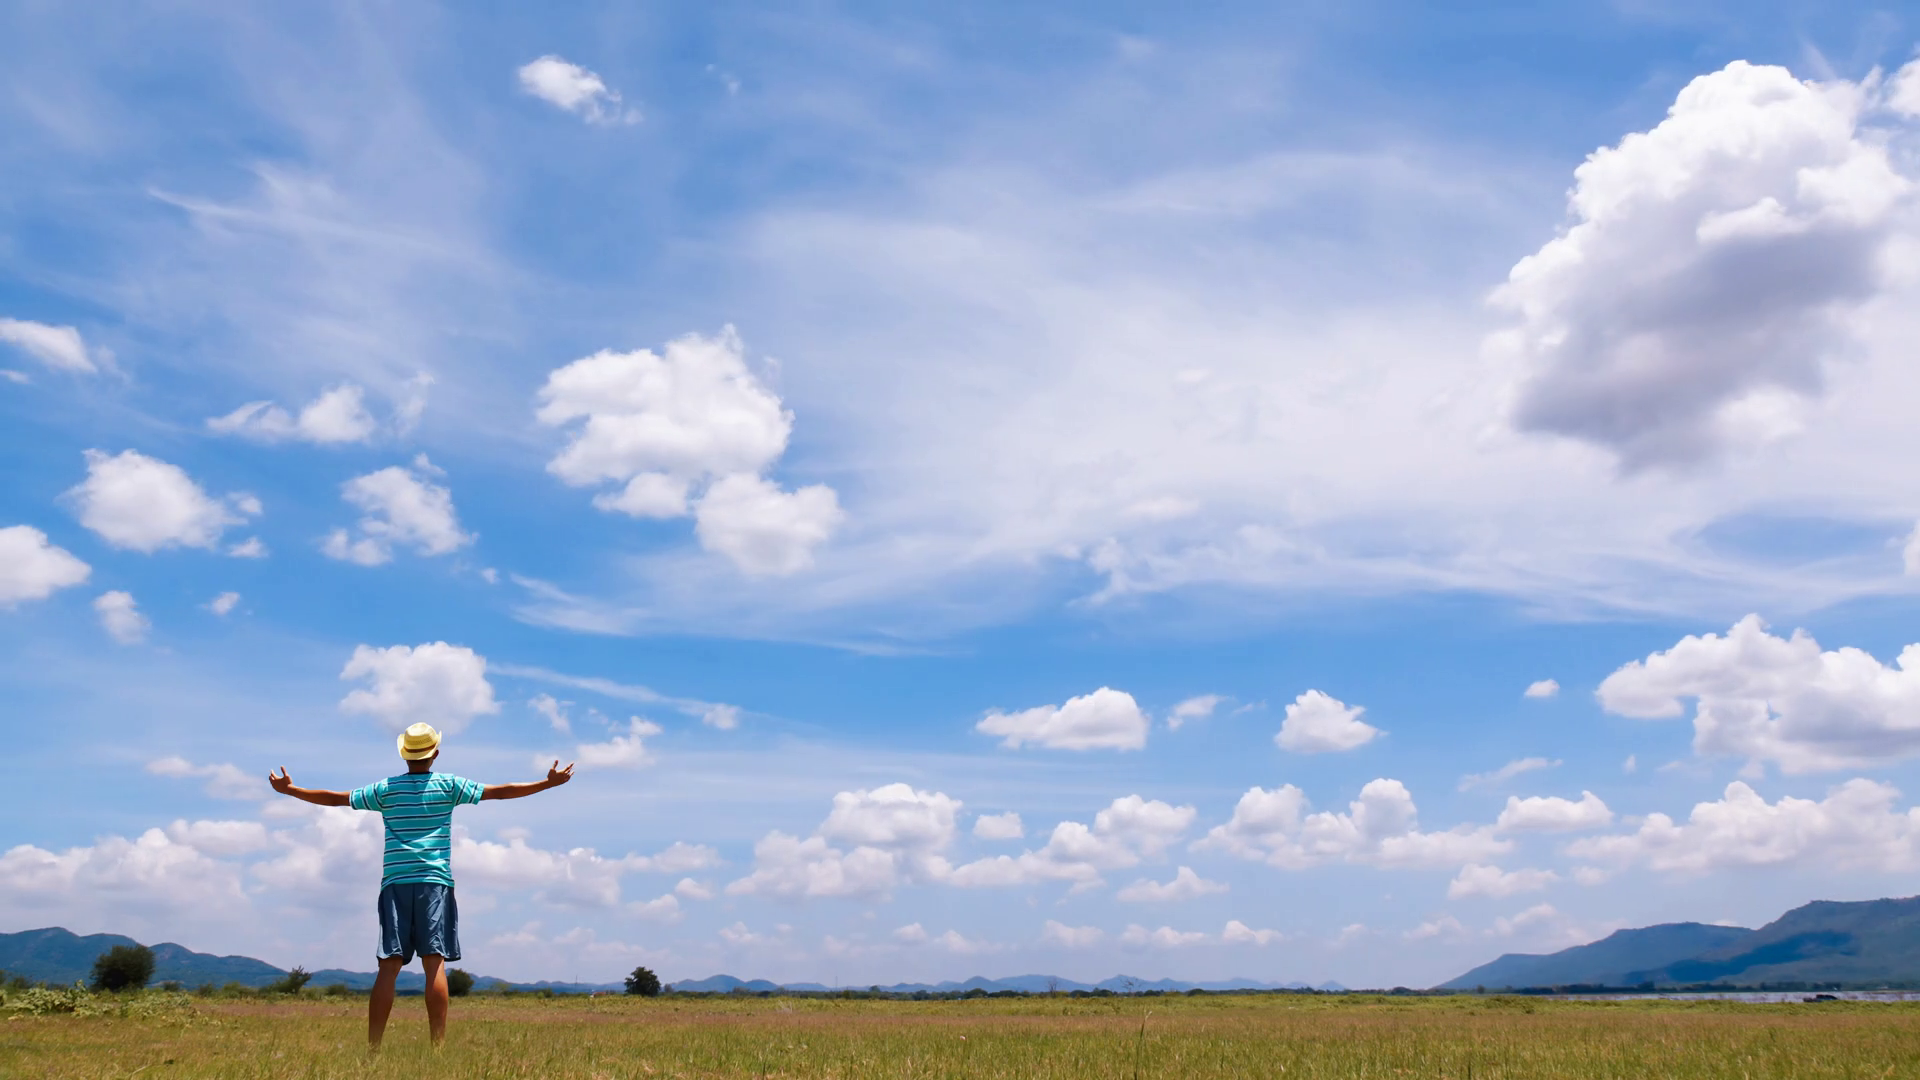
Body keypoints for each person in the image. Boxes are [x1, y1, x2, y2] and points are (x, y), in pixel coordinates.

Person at [268, 722, 574, 1049]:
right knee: (434, 963)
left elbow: (338, 799)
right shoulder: (449, 785)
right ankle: (437, 1050)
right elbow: (500, 791)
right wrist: (546, 784)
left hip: (395, 883)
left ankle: (373, 1049)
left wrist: (292, 791)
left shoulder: (387, 789)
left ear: (404, 755)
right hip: (434, 883)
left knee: (388, 967)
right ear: (436, 753)